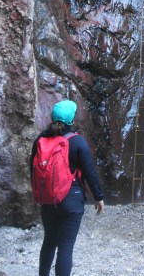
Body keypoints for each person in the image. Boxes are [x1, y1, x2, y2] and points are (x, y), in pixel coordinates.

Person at [31, 100, 104, 276]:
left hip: (48, 200)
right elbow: (89, 172)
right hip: (71, 200)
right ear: (71, 120)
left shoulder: (40, 140)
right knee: (65, 246)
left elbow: (32, 170)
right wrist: (98, 197)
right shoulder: (77, 141)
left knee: (49, 241)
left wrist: (39, 195)